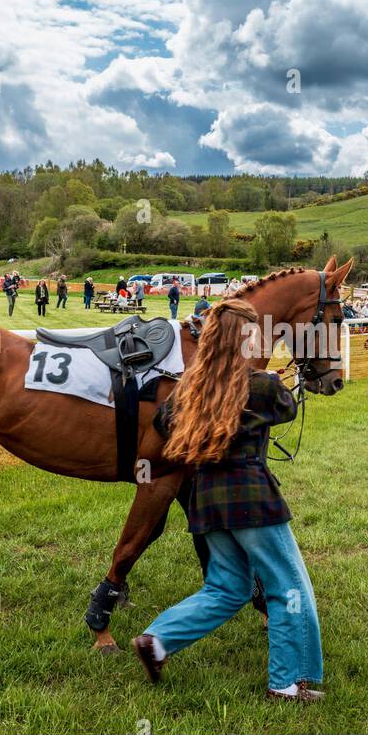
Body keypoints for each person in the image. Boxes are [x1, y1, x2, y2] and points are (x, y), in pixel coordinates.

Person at [132, 298, 323, 702]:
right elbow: (285, 409)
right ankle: (286, 684)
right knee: (288, 586)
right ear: (245, 337)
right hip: (252, 500)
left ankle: (157, 641)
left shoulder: (188, 392)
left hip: (207, 501)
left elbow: (163, 422)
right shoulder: (264, 387)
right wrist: (268, 378)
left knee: (226, 588)